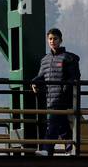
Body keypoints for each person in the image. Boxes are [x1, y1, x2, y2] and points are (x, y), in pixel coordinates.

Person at [30, 27, 81, 155]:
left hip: (62, 97)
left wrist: (64, 90)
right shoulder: (45, 60)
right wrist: (34, 82)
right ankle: (70, 150)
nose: (52, 41)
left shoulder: (67, 58)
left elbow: (74, 77)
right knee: (62, 126)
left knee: (52, 123)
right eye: (50, 39)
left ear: (61, 40)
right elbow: (41, 76)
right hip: (50, 97)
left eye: (55, 39)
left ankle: (47, 150)